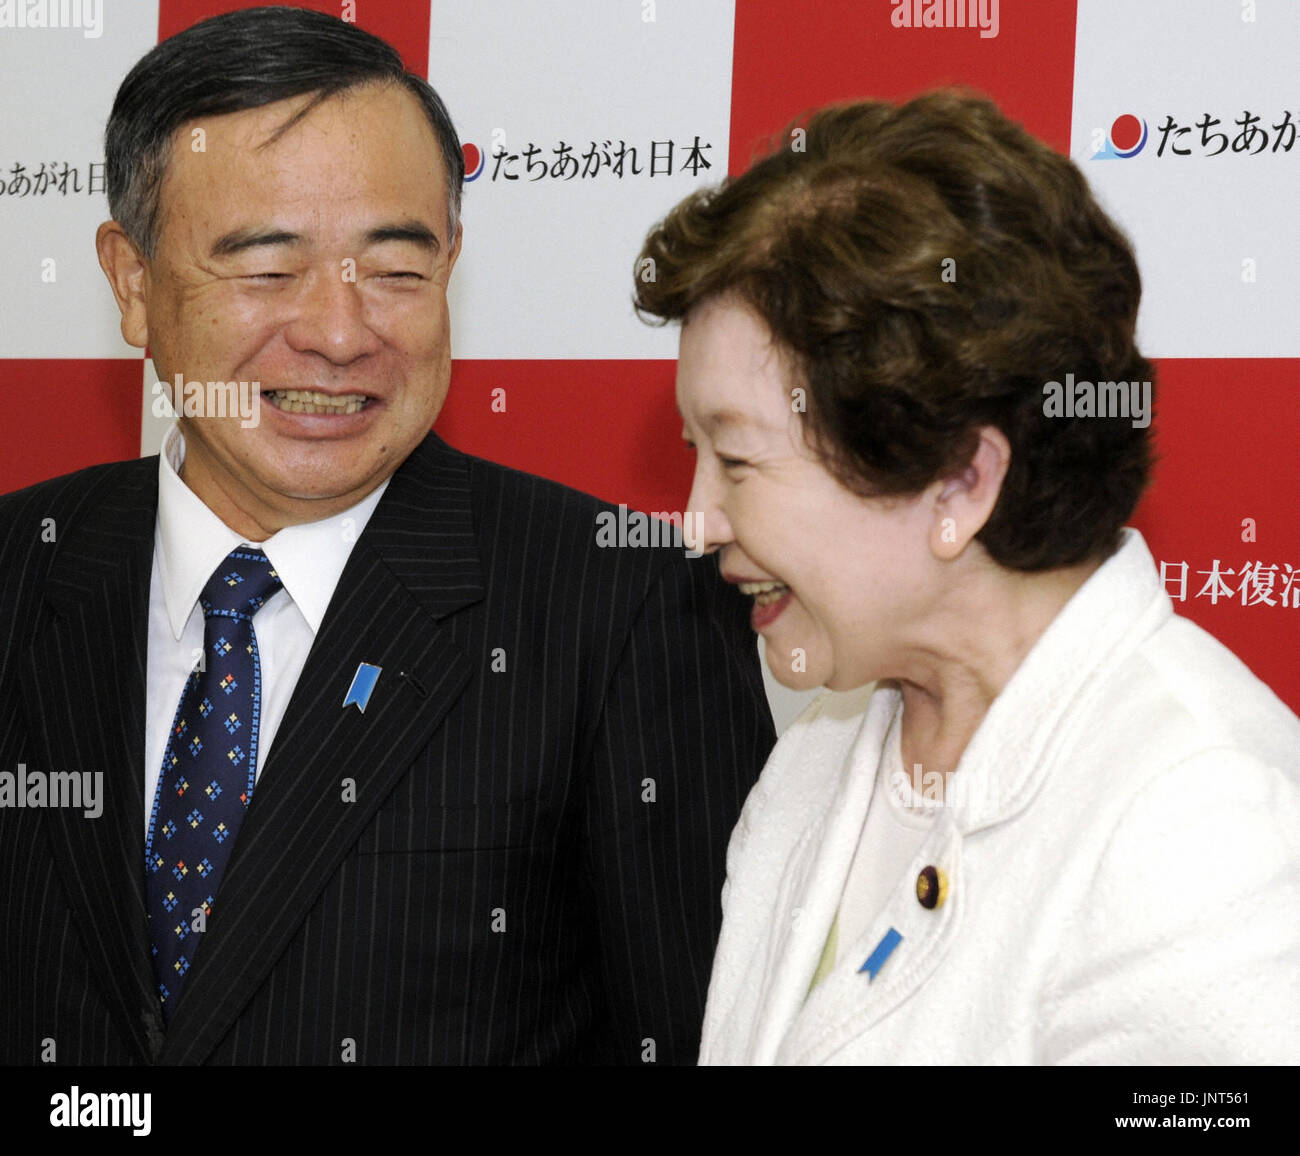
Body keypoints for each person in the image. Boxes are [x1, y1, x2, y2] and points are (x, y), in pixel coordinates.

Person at [0, 6, 774, 1066]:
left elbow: (698, 1038)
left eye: (399, 269)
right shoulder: (21, 567)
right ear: (133, 282)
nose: (338, 330)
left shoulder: (620, 605)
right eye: (268, 268)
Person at [635, 88, 1300, 1064]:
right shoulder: (820, 751)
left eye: (736, 460)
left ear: (960, 480)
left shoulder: (1200, 822)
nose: (694, 523)